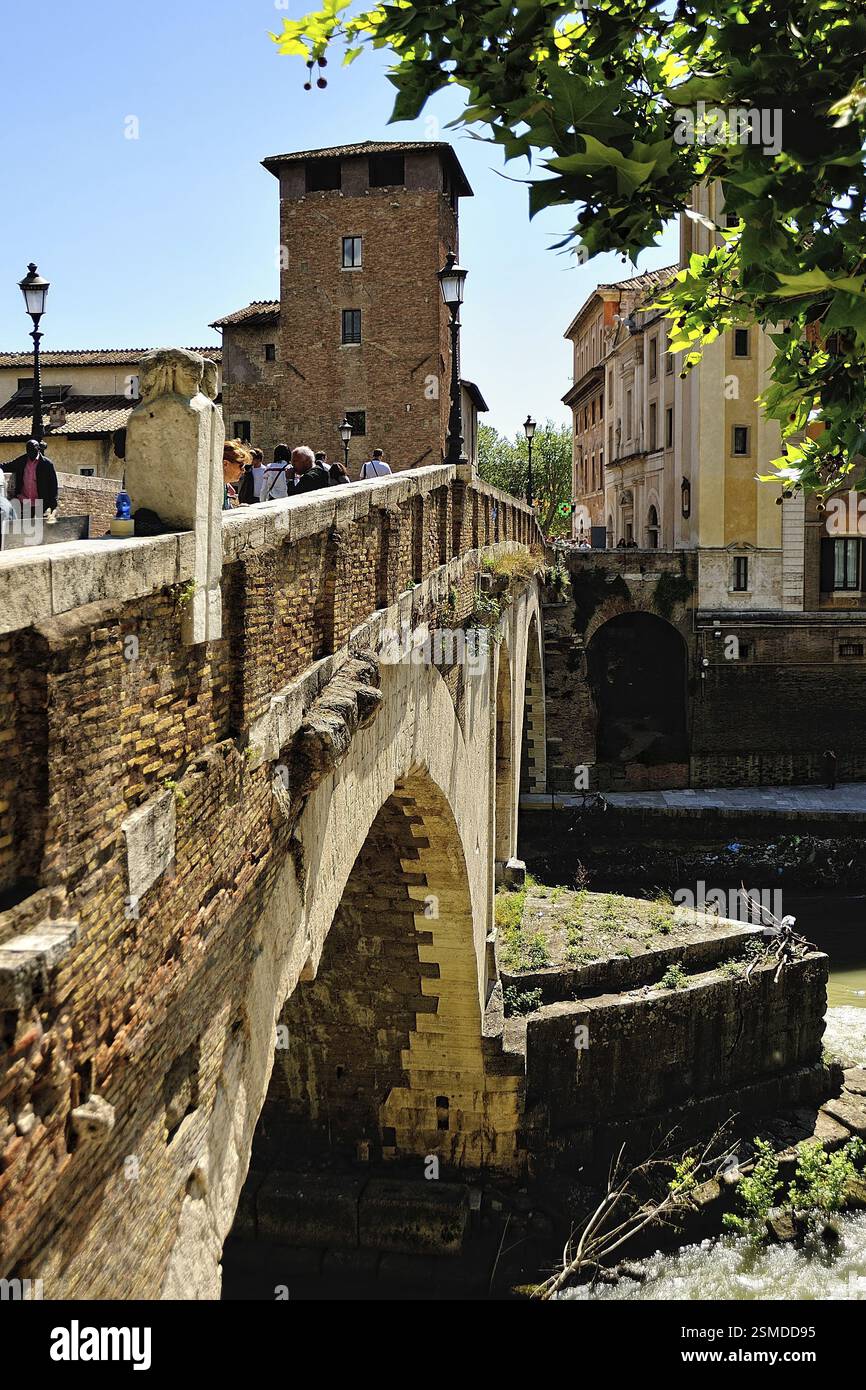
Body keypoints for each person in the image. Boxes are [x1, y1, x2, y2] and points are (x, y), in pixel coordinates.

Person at [2, 438, 59, 517]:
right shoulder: (22, 461)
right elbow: (7, 466)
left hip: (40, 502)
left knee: (39, 527)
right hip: (25, 502)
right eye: (29, 451)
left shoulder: (47, 464)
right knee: (25, 527)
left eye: (33, 450)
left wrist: (53, 505)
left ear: (38, 449)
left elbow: (53, 485)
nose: (31, 453)